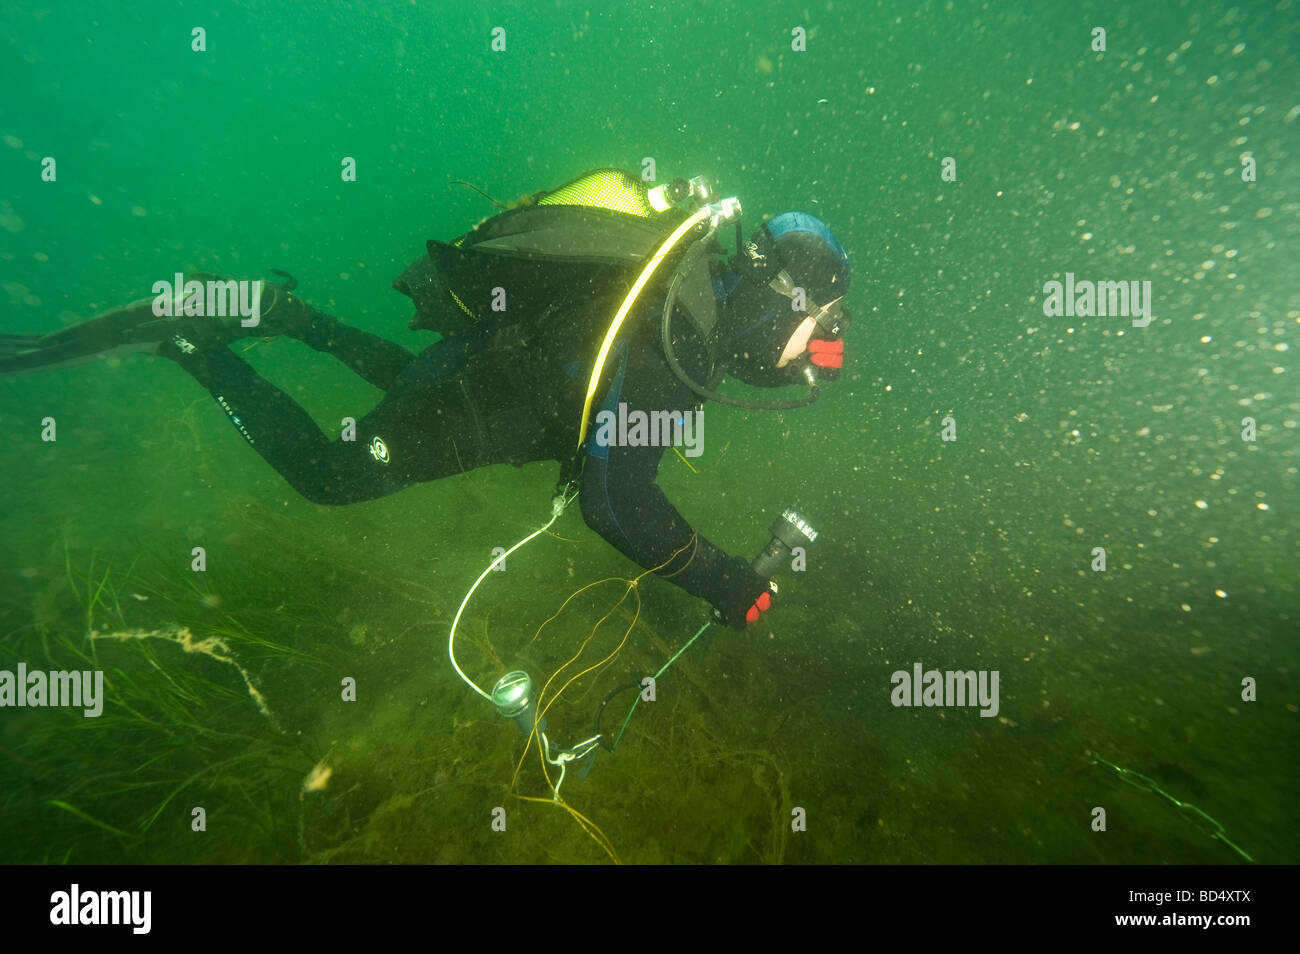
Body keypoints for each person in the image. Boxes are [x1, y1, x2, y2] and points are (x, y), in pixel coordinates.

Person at [1, 168, 850, 628]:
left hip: (486, 376)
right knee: (333, 476)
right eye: (817, 322)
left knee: (413, 386)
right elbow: (615, 500)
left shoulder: (688, 290)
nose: (814, 350)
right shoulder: (680, 339)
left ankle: (293, 316)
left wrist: (798, 359)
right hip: (481, 403)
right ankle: (192, 344)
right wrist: (725, 579)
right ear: (779, 295)